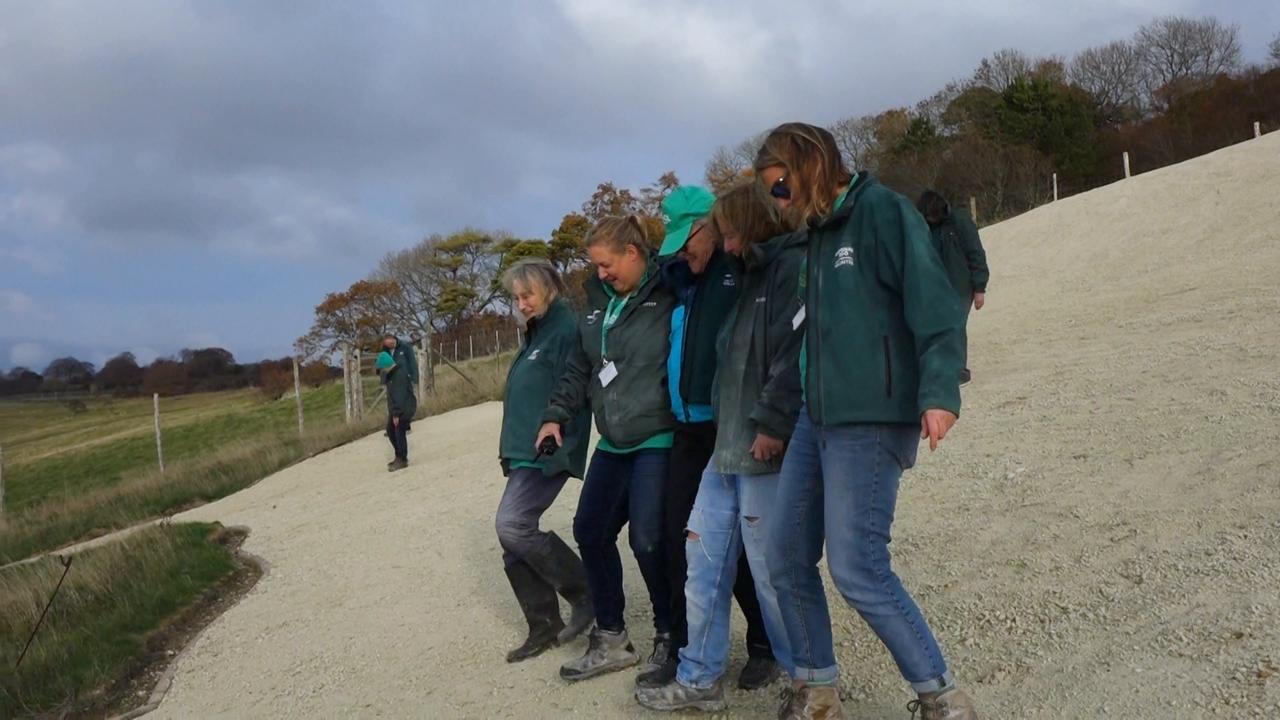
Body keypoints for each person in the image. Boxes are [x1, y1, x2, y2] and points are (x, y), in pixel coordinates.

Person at [754, 123, 978, 720]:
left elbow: (933, 304)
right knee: (784, 555)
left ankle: (942, 696)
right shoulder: (816, 238)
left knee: (857, 567)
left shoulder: (882, 211)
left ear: (805, 166)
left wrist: (939, 393)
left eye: (778, 186)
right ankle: (815, 687)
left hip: (873, 418)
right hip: (816, 417)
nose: (777, 202)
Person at [636, 181, 801, 712]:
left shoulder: (772, 273)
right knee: (700, 555)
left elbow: (790, 355)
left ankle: (808, 680)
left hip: (755, 441)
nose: (725, 247)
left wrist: (772, 423)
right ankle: (700, 675)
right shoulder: (711, 277)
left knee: (769, 569)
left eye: (729, 235)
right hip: (717, 442)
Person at [537, 215, 678, 682]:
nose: (600, 274)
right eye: (595, 265)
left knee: (649, 540)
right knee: (590, 529)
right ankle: (613, 637)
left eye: (606, 264)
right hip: (614, 441)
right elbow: (579, 368)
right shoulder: (596, 305)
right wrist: (555, 414)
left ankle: (671, 637)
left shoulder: (668, 293)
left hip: (657, 437)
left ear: (633, 253)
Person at [495, 259, 595, 663]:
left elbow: (573, 385)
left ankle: (586, 592)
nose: (521, 304)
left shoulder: (565, 329)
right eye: (516, 298)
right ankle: (543, 626)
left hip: (547, 450)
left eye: (527, 295)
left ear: (549, 289)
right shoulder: (538, 332)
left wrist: (557, 430)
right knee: (513, 538)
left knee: (511, 524)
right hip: (524, 452)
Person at [917, 191, 989, 385]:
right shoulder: (923, 228)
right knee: (936, 329)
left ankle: (959, 371)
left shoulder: (961, 222)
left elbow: (976, 254)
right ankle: (939, 368)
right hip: (935, 287)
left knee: (955, 327)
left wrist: (979, 287)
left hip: (960, 285)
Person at [375, 349, 416, 471]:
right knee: (390, 430)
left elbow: (400, 395)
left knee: (399, 432)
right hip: (397, 408)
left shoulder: (398, 376)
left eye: (382, 369)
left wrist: (397, 413)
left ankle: (402, 459)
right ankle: (399, 456)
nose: (382, 372)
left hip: (404, 407)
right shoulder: (392, 375)